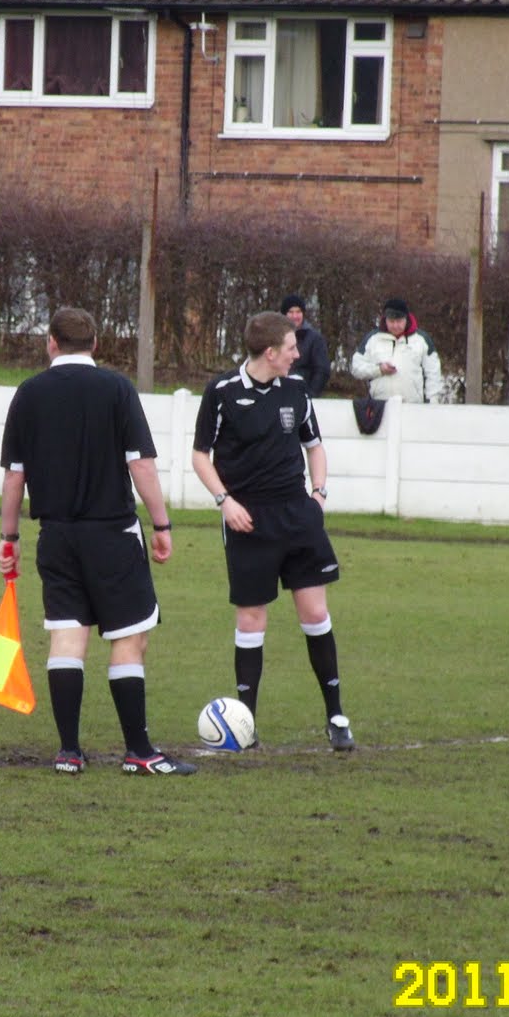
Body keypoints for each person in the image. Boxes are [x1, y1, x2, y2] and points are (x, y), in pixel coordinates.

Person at [0, 307, 195, 777]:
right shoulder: (117, 388)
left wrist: (9, 536)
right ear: (96, 344)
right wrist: (162, 525)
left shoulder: (29, 393)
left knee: (67, 637)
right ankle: (139, 752)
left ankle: (68, 751)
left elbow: (14, 477)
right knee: (128, 639)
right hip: (111, 534)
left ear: (50, 343)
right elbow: (140, 465)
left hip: (56, 535)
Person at [192, 310, 354, 752]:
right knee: (252, 618)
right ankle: (246, 723)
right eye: (290, 348)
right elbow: (200, 456)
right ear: (270, 352)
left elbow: (314, 446)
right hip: (248, 519)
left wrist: (318, 495)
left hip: (298, 517)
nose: (297, 355)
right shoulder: (222, 392)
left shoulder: (297, 390)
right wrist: (225, 503)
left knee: (316, 615)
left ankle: (337, 716)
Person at [349, 296, 444, 404]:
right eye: (391, 321)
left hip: (413, 407)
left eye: (399, 321)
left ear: (406, 319)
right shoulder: (372, 339)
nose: (395, 325)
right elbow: (356, 367)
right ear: (385, 319)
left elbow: (433, 373)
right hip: (379, 407)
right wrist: (379, 370)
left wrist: (432, 402)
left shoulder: (422, 340)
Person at [280, 293, 331, 398]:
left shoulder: (315, 338)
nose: (295, 316)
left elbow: (322, 370)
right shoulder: (275, 336)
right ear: (284, 314)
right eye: (291, 312)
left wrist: (310, 394)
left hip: (303, 394)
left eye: (298, 312)